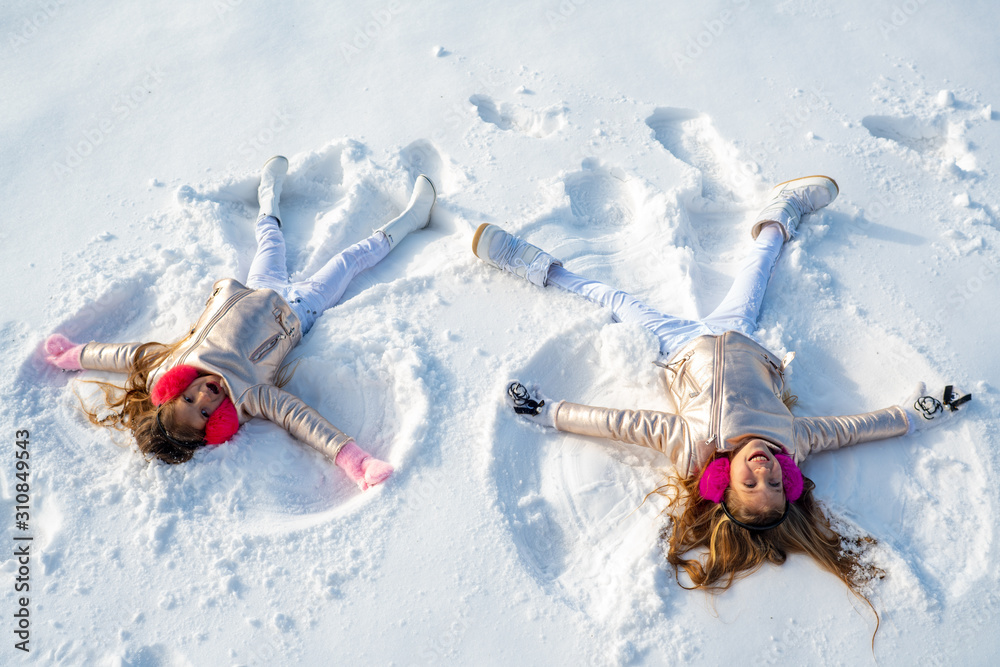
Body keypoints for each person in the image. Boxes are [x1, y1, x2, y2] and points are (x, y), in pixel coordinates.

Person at [471, 175, 972, 610]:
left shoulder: (693, 447)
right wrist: (920, 413)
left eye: (751, 485)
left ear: (719, 481)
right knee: (758, 269)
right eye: (776, 485)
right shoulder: (793, 442)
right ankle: (783, 209)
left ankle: (530, 261)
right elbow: (855, 428)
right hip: (742, 335)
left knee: (614, 297)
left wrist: (548, 410)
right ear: (790, 480)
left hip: (679, 345)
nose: (765, 472)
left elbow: (619, 422)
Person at [45, 156, 437, 490]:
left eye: (188, 399)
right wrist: (356, 461)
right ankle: (413, 219)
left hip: (255, 289)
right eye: (203, 413)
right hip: (298, 310)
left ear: (173, 388)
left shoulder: (166, 367)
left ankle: (269, 193)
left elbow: (126, 356)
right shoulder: (248, 395)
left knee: (270, 239)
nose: (205, 397)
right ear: (216, 425)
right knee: (352, 260)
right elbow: (299, 417)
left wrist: (74, 354)